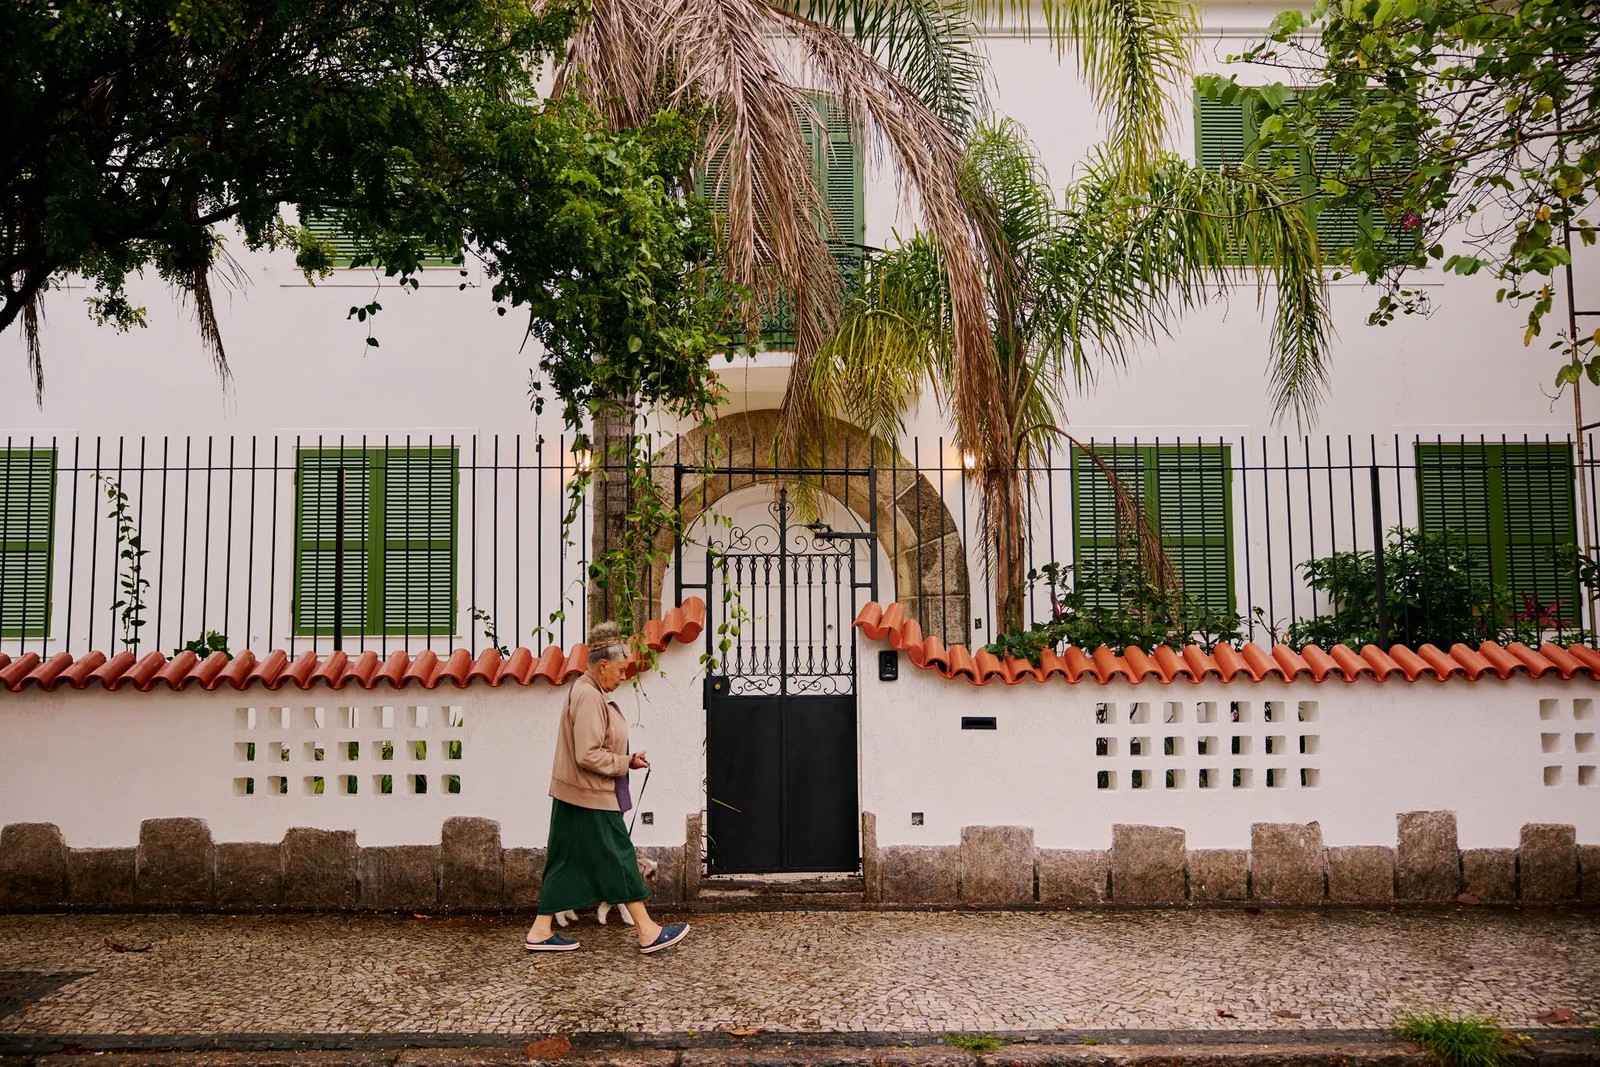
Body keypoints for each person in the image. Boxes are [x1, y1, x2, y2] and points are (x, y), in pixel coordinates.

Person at [524, 621, 690, 954]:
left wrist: (626, 759)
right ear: (602, 666)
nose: (624, 675)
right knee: (620, 858)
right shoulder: (587, 696)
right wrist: (624, 762)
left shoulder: (590, 691)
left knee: (563, 861)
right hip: (591, 796)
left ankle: (541, 930)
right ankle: (647, 931)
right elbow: (587, 754)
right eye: (620, 668)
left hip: (575, 794)